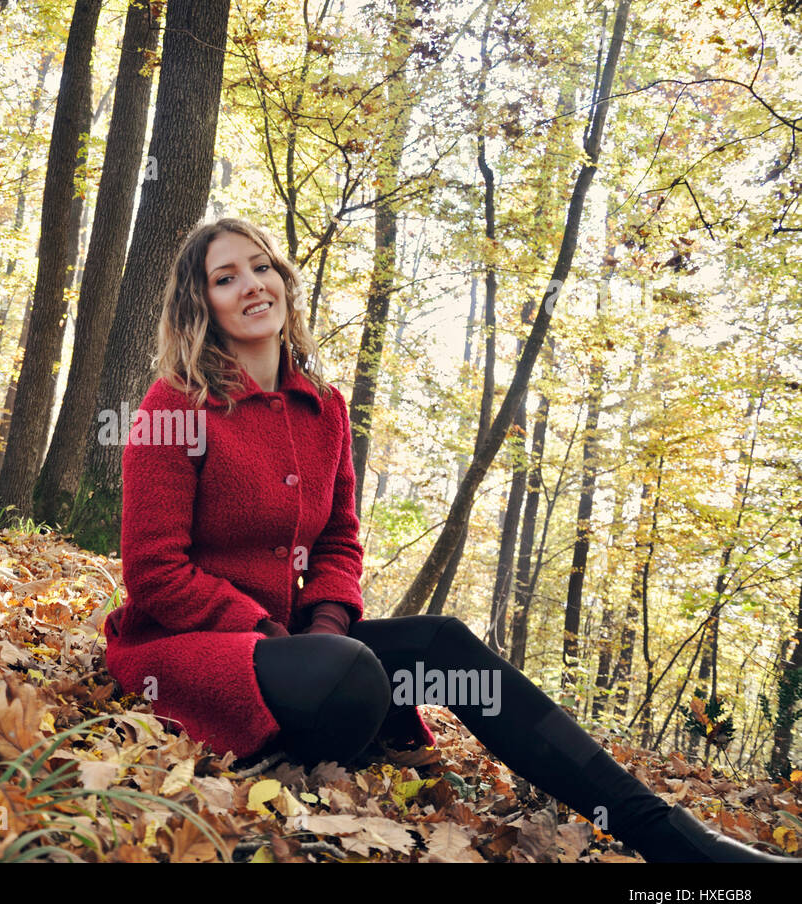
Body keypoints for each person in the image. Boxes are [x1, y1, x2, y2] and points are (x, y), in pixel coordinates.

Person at [101, 216, 796, 863]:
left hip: (307, 646)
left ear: (283, 280)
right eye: (226, 277)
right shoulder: (176, 403)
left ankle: (672, 837)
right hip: (202, 648)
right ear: (203, 305)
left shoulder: (326, 409)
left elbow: (341, 541)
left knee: (444, 644)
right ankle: (309, 733)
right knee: (347, 678)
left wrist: (330, 619)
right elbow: (154, 571)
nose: (251, 284)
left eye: (261, 267)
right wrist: (266, 629)